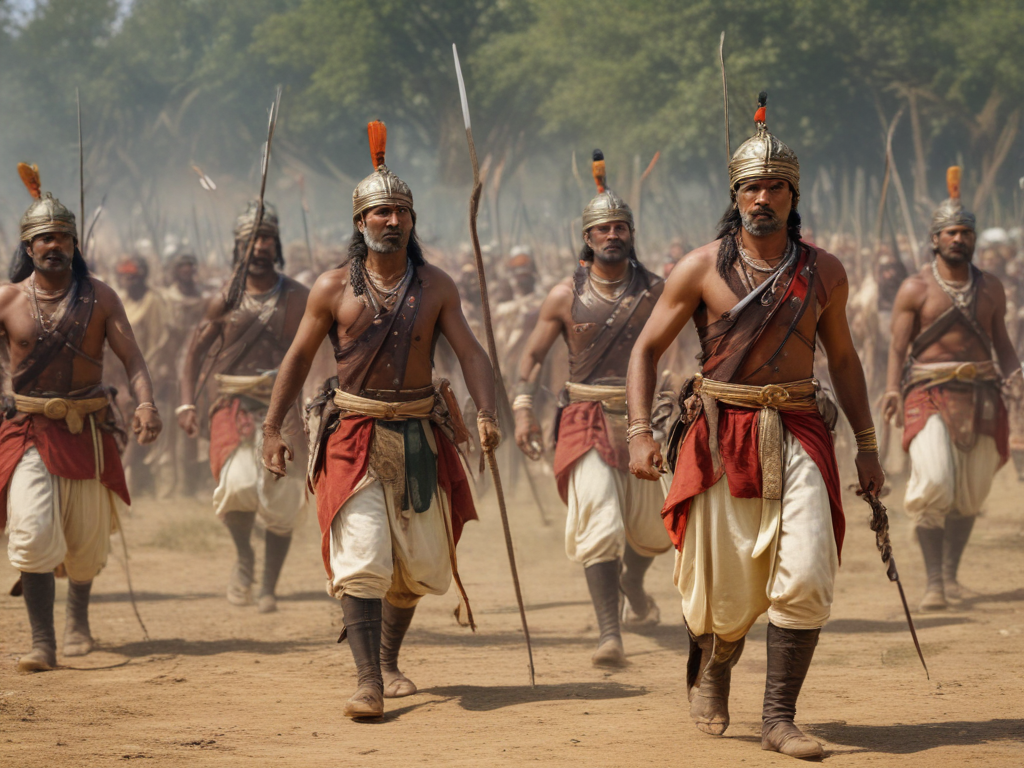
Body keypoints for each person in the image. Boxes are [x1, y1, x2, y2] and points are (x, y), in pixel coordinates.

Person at [625, 94, 884, 760]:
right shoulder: (700, 269)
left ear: (793, 194)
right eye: (750, 187)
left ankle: (779, 717)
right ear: (735, 195)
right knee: (723, 591)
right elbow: (646, 349)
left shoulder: (824, 271)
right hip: (721, 431)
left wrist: (867, 446)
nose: (761, 196)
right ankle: (714, 666)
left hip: (800, 428)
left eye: (774, 185)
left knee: (805, 574)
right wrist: (639, 432)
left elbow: (846, 359)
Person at [261, 121, 498, 719]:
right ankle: (367, 681)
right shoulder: (332, 288)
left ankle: (389, 659)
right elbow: (296, 358)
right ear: (360, 223)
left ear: (413, 220)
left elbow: (469, 352)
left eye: (401, 211)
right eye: (381, 212)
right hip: (353, 436)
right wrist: (271, 428)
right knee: (362, 559)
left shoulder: (436, 285)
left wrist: (487, 409)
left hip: (420, 432)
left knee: (417, 568)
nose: (392, 221)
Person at [514, 150, 672, 668]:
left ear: (631, 232)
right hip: (584, 418)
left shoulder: (657, 292)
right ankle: (610, 634)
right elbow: (533, 356)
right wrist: (521, 408)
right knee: (601, 524)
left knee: (650, 533)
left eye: (620, 226)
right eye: (602, 228)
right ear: (587, 237)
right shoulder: (564, 296)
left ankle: (632, 581)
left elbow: (693, 345)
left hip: (645, 419)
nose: (612, 235)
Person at [0, 188, 162, 672]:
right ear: (28, 247)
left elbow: (131, 358)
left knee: (86, 544)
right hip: (27, 429)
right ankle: (42, 641)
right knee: (31, 533)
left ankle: (78, 620)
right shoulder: (7, 299)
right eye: (45, 238)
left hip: (87, 428)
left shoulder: (101, 297)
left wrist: (146, 403)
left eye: (63, 237)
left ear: (74, 243)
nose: (55, 245)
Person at [881, 167, 1022, 611]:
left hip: (982, 394)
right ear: (935, 238)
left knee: (972, 492)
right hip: (928, 394)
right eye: (950, 232)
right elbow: (898, 347)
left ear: (974, 238)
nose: (959, 239)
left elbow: (1003, 346)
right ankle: (934, 581)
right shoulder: (915, 288)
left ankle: (951, 576)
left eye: (965, 232)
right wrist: (889, 390)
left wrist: (1017, 376)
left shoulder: (992, 288)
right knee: (936, 480)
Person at [177, 201, 310, 614]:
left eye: (266, 238)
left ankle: (268, 585)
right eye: (251, 240)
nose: (259, 247)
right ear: (238, 246)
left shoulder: (299, 297)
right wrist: (186, 403)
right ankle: (244, 558)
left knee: (281, 498)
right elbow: (194, 354)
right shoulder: (223, 300)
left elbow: (319, 352)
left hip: (284, 405)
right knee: (236, 488)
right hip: (232, 404)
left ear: (277, 243)